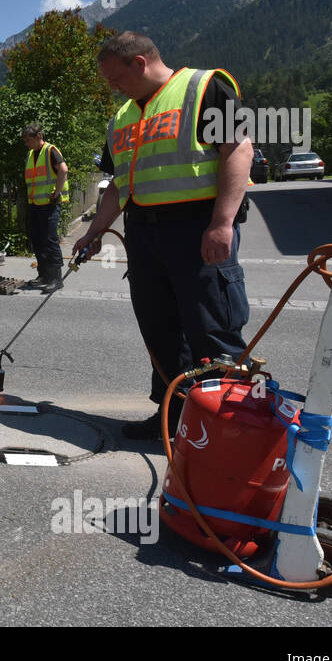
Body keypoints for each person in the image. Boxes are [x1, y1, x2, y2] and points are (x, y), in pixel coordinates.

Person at [72, 32, 252, 440]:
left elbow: (238, 149)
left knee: (211, 328)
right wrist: (95, 231)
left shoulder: (205, 87)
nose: (113, 87)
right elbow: (117, 185)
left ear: (140, 62)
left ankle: (227, 431)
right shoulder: (122, 118)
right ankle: (173, 416)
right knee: (160, 329)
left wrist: (222, 223)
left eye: (116, 78)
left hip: (197, 228)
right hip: (144, 233)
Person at [21, 125, 69, 293]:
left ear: (38, 136)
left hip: (50, 204)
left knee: (50, 240)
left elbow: (63, 171)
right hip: (35, 204)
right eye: (25, 141)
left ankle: (56, 278)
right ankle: (44, 275)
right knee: (37, 240)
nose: (26, 143)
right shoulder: (30, 154)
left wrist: (57, 192)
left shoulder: (50, 151)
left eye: (29, 140)